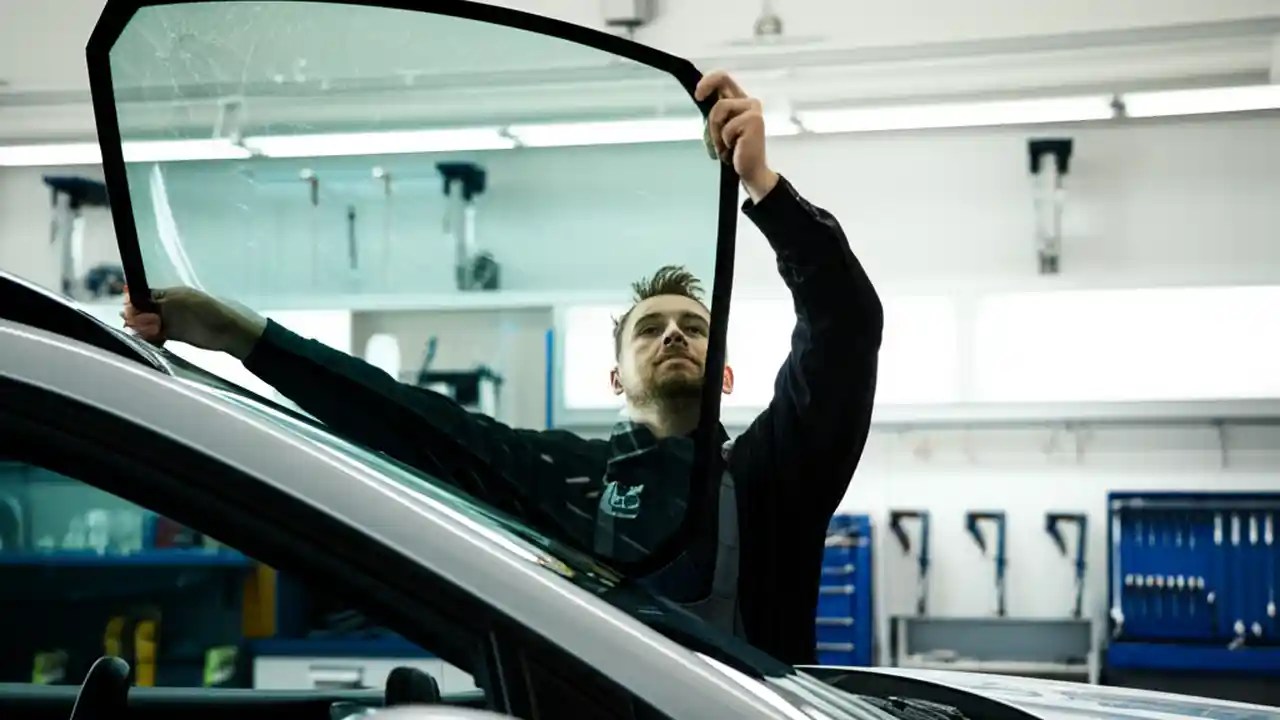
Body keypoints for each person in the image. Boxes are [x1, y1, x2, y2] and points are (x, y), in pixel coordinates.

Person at [123, 70, 882, 665]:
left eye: (693, 328)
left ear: (724, 377)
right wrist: (234, 333)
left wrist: (765, 189)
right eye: (651, 329)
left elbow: (844, 328)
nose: (675, 335)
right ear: (616, 379)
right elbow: (402, 418)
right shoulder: (561, 473)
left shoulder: (776, 476)